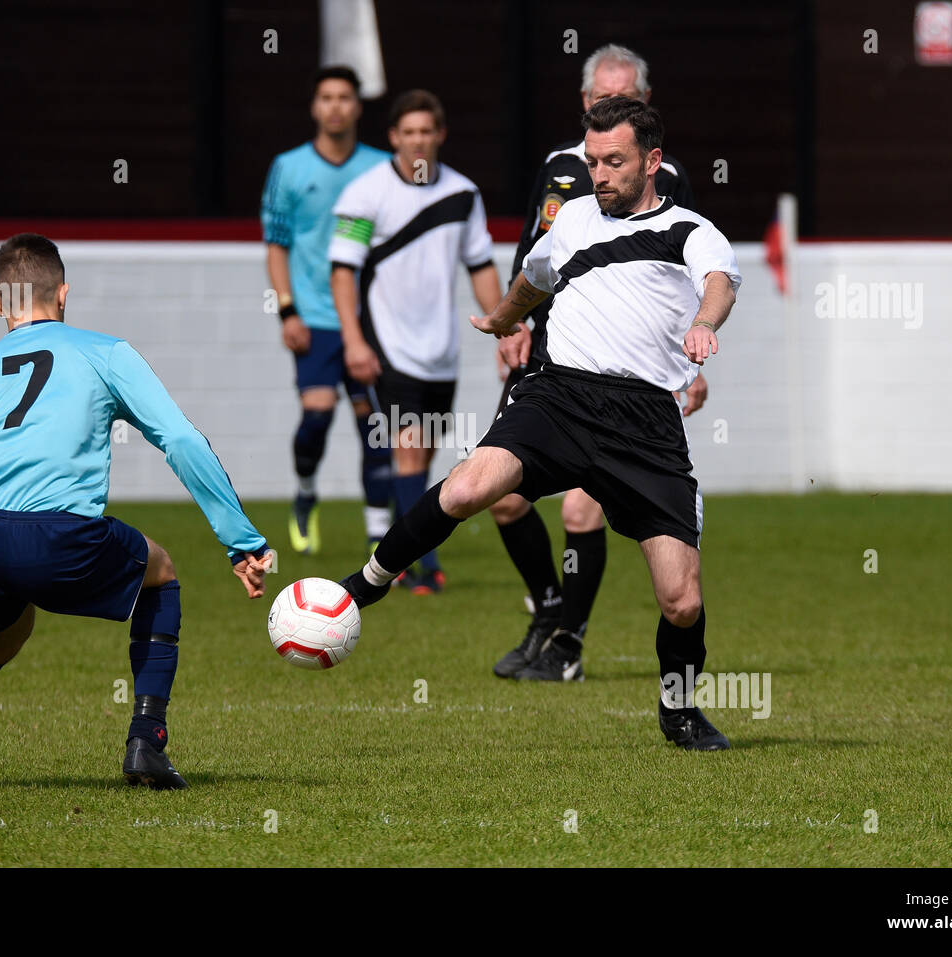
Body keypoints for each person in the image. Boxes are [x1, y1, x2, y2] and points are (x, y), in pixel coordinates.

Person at [341, 97, 741, 750]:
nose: (599, 174)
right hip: (557, 397)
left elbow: (719, 282)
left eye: (614, 162)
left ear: (652, 162)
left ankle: (679, 709)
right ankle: (367, 584)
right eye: (591, 162)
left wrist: (703, 323)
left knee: (682, 600)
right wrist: (505, 317)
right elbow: (536, 274)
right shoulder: (575, 217)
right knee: (470, 488)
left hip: (645, 422)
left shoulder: (693, 231)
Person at [0, 234, 273, 790]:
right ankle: (147, 743)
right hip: (61, 537)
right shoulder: (106, 353)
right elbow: (181, 440)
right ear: (65, 294)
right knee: (161, 569)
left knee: (1, 636)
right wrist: (241, 542)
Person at [491, 43, 708, 683]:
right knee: (501, 499)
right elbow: (534, 252)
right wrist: (515, 325)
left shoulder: (667, 181)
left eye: (629, 98)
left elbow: (686, 281)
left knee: (580, 511)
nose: (612, 104)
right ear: (584, 103)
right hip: (545, 357)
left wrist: (692, 364)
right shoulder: (560, 168)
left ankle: (566, 646)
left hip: (618, 375)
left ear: (645, 110)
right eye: (600, 97)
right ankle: (549, 608)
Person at [329, 89, 502, 594]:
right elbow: (343, 273)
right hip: (388, 347)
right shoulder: (364, 193)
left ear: (440, 135)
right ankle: (421, 568)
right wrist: (353, 341)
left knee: (423, 457)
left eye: (427, 130)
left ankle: (394, 550)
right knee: (407, 452)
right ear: (393, 138)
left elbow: (481, 266)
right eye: (409, 132)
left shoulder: (464, 193)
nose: (418, 140)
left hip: (441, 353)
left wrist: (504, 329)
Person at [261, 66, 393, 557]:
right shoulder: (289, 167)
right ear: (315, 107)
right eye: (326, 97)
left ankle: (379, 534)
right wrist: (287, 313)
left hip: (370, 322)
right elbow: (276, 246)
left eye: (344, 97)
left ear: (358, 107)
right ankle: (306, 490)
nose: (335, 106)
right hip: (314, 318)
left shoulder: (383, 167)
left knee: (373, 423)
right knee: (316, 415)